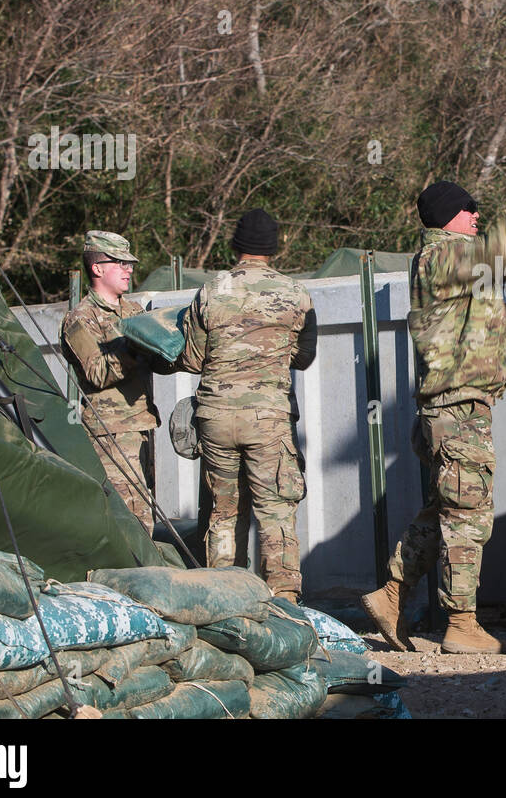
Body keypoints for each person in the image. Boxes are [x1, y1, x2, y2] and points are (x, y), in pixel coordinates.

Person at [362, 174, 506, 655]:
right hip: (458, 408)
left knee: (446, 511)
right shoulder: (446, 255)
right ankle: (461, 623)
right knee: (469, 517)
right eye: (468, 207)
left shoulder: (448, 260)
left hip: (455, 407)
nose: (477, 213)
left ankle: (390, 596)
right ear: (446, 215)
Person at [176, 209, 317, 603]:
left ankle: (226, 603)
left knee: (224, 510)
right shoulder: (296, 294)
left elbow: (190, 359)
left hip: (215, 416)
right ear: (275, 247)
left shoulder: (210, 291)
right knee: (276, 509)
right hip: (268, 419)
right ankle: (285, 601)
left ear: (235, 245)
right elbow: (304, 357)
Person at [61, 230, 160, 531]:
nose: (129, 269)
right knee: (132, 523)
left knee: (146, 516)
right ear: (97, 268)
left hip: (142, 426)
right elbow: (96, 372)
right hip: (111, 435)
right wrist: (133, 345)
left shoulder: (133, 311)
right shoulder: (79, 319)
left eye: (130, 263)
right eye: (120, 262)